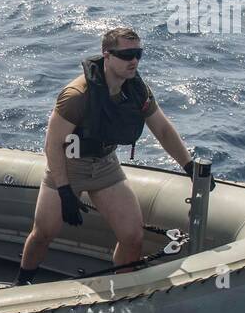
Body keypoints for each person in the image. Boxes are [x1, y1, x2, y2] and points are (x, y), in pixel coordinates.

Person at [17, 27, 199, 283]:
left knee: (132, 235)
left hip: (105, 165)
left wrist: (188, 165)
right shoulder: (76, 96)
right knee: (44, 233)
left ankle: (122, 286)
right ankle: (23, 281)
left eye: (138, 54)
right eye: (126, 55)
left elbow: (162, 129)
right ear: (107, 56)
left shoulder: (137, 91)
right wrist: (65, 190)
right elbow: (53, 144)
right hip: (69, 165)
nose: (133, 60)